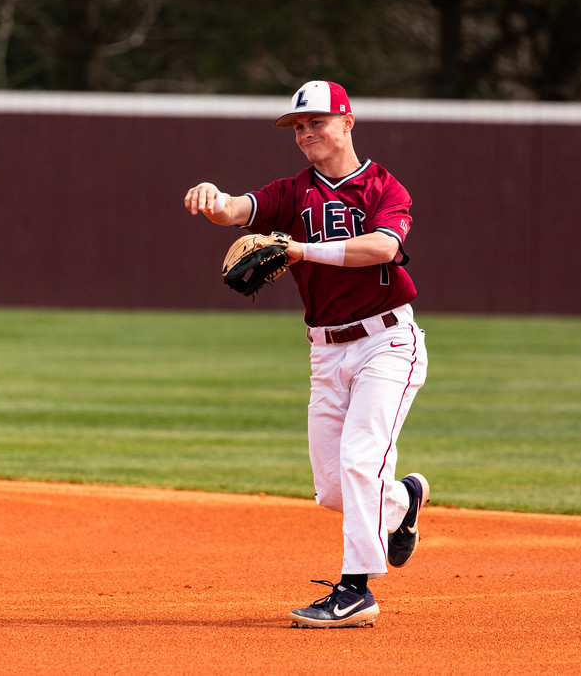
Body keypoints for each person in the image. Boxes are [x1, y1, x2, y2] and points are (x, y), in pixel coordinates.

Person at [183, 80, 430, 629]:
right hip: (326, 353)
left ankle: (356, 590)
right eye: (298, 127)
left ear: (347, 122)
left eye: (316, 122)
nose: (306, 134)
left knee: (361, 459)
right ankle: (403, 500)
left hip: (387, 343)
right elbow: (237, 210)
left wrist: (298, 249)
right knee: (334, 488)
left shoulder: (384, 188)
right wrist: (212, 198)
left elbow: (383, 248)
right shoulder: (292, 192)